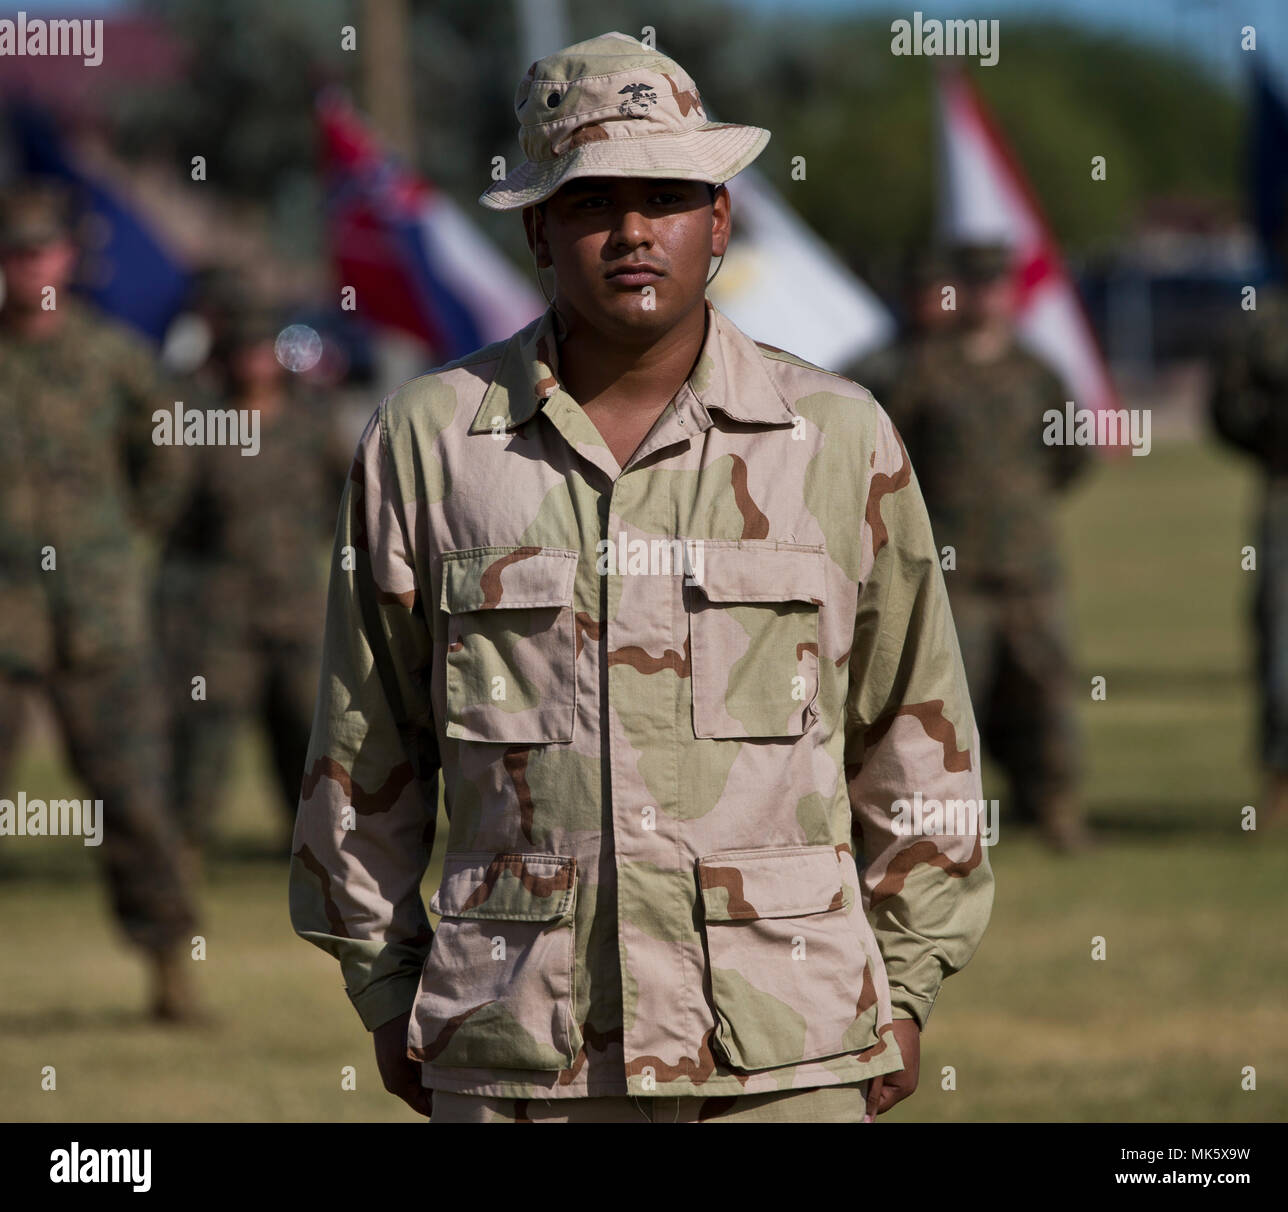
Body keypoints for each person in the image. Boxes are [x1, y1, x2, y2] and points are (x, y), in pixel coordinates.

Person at [290, 30, 993, 1124]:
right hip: (523, 1048)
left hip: (787, 1049)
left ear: (718, 220)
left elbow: (915, 727)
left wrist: (903, 986)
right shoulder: (429, 443)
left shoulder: (837, 437)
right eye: (588, 202)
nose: (631, 232)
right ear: (536, 226)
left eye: (667, 195)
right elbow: (361, 745)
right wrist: (387, 992)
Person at [0, 180, 201, 1019]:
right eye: (16, 253)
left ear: (68, 259)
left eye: (44, 250)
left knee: (134, 802)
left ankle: (171, 978)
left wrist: (121, 546)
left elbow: (169, 457)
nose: (31, 266)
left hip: (99, 617)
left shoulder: (115, 356)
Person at [885, 241, 1094, 853]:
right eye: (974, 285)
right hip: (955, 567)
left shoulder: (1037, 371)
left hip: (1030, 564)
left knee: (1046, 688)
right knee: (949, 700)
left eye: (997, 284)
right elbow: (894, 456)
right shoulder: (925, 370)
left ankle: (1057, 808)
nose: (986, 297)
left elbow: (1071, 455)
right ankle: (948, 825)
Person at [157, 282, 348, 858]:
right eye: (241, 349)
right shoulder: (203, 427)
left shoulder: (313, 425)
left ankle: (314, 848)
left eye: (262, 348)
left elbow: (353, 501)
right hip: (218, 615)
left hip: (295, 606)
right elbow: (168, 515)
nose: (253, 361)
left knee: (305, 730)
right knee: (205, 734)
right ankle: (182, 847)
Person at [1209, 192, 1288, 830]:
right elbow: (1227, 409)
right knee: (1283, 644)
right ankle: (1283, 781)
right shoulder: (1264, 321)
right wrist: (1277, 436)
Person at [847, 244, 956, 404]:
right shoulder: (879, 367)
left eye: (938, 290)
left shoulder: (979, 354)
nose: (928, 299)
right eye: (919, 290)